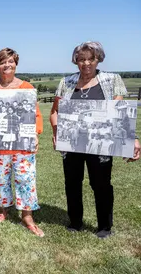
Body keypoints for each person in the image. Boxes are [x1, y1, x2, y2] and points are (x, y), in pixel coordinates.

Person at [50, 41, 140, 239]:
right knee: (72, 183)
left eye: (91, 59)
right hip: (72, 143)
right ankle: (75, 222)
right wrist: (57, 132)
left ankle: (104, 227)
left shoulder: (112, 80)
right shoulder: (66, 82)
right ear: (76, 61)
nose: (86, 63)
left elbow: (121, 113)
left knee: (101, 184)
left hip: (102, 143)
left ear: (98, 59)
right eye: (81, 59)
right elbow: (55, 112)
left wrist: (133, 139)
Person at [0, 48, 44, 237]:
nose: (7, 65)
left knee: (26, 179)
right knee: (0, 178)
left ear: (16, 64)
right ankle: (2, 210)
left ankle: (27, 216)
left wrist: (36, 135)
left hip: (23, 145)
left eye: (11, 61)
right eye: (3, 62)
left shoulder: (27, 88)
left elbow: (35, 116)